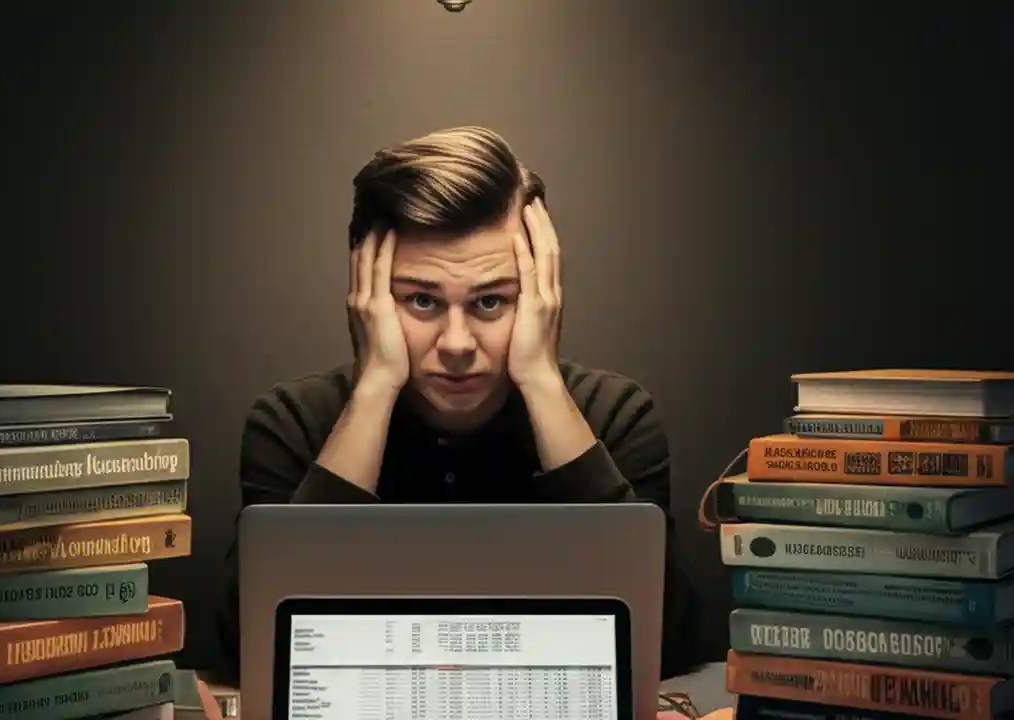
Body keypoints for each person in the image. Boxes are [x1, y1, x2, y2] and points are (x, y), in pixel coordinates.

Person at [217, 125, 700, 679]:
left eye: (491, 301)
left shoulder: (613, 416)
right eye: (421, 300)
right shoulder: (292, 423)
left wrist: (541, 379)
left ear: (542, 296)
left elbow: (669, 641)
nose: (456, 345)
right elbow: (249, 649)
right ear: (365, 298)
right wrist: (374, 387)